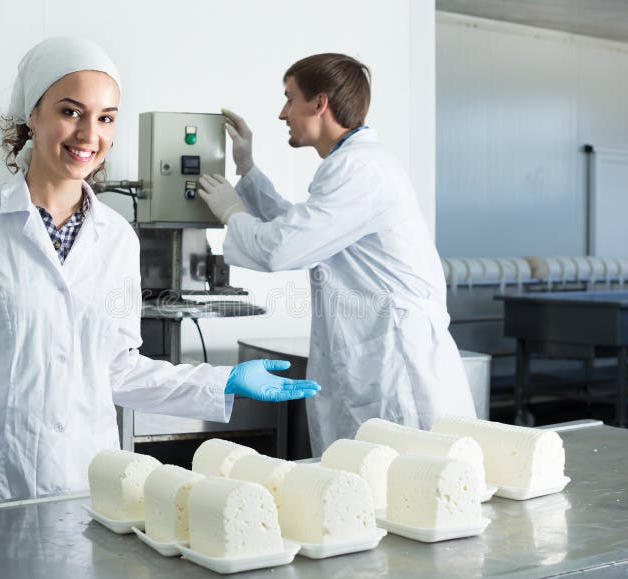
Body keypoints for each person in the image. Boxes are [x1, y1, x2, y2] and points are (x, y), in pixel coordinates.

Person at [0, 36, 319, 508]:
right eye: (70, 112)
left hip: (83, 485)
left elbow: (118, 369)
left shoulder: (117, 238)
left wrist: (220, 381)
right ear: (33, 116)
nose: (88, 135)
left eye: (105, 118)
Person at [197, 53, 475, 457]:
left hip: (395, 372)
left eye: (290, 98)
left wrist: (232, 211)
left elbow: (282, 248)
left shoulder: (361, 169)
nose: (282, 113)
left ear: (319, 103)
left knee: (404, 491)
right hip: (371, 364)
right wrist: (248, 171)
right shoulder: (352, 167)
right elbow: (304, 228)